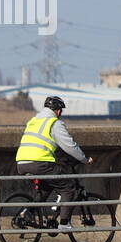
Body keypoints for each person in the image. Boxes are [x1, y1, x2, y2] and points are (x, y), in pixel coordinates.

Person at [14, 96, 93, 229]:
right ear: (58, 111)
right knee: (68, 186)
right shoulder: (54, 123)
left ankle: (27, 212)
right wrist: (84, 159)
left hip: (22, 162)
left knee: (47, 186)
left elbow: (42, 143)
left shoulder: (33, 121)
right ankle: (64, 223)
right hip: (39, 162)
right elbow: (69, 145)